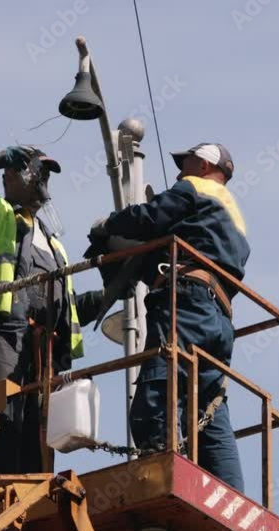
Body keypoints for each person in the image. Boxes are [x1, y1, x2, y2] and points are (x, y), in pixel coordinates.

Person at [0, 145, 101, 474]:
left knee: (36, 437)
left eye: (47, 176)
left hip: (39, 352)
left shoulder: (53, 244)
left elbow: (65, 308)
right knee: (1, 422)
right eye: (40, 171)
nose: (44, 181)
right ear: (13, 176)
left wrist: (110, 293)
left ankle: (30, 512)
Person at [91, 143, 248, 491]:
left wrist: (109, 225)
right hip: (219, 317)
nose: (180, 173)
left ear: (205, 165)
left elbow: (150, 218)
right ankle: (232, 496)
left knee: (157, 391)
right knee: (208, 407)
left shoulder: (195, 188)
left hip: (186, 305)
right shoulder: (233, 217)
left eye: (186, 163)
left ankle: (160, 480)